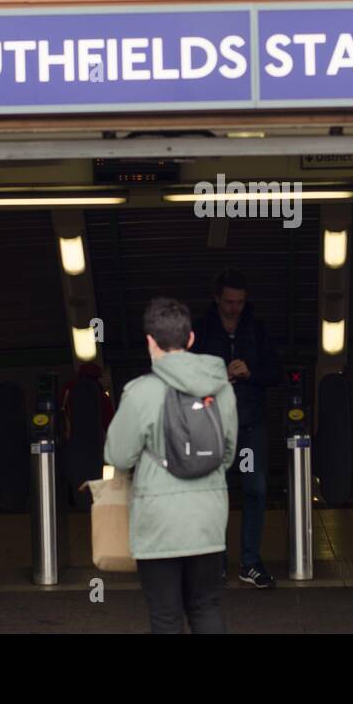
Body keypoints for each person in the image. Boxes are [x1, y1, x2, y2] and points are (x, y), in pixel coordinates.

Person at [104, 297, 238, 634]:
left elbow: (118, 457)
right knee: (207, 607)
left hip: (157, 524)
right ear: (191, 339)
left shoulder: (139, 392)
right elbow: (228, 454)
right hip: (208, 519)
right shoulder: (222, 389)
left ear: (150, 341)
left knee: (166, 616)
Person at [191, 269, 282, 589]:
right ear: (217, 298)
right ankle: (216, 563)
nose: (234, 308)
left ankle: (250, 563)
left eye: (240, 302)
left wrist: (251, 371)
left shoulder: (257, 329)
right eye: (229, 301)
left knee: (256, 490)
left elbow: (275, 372)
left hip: (251, 423)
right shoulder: (199, 330)